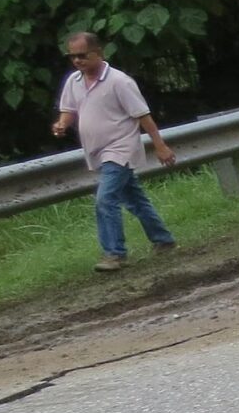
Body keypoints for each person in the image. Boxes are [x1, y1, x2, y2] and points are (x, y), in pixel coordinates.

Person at [52, 31, 178, 272]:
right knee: (134, 199)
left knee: (105, 199)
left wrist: (159, 145)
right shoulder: (74, 81)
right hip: (97, 151)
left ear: (98, 53)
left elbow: (142, 115)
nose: (77, 61)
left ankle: (114, 253)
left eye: (82, 55)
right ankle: (163, 239)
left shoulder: (119, 81)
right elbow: (68, 110)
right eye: (73, 57)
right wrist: (61, 124)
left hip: (120, 149)